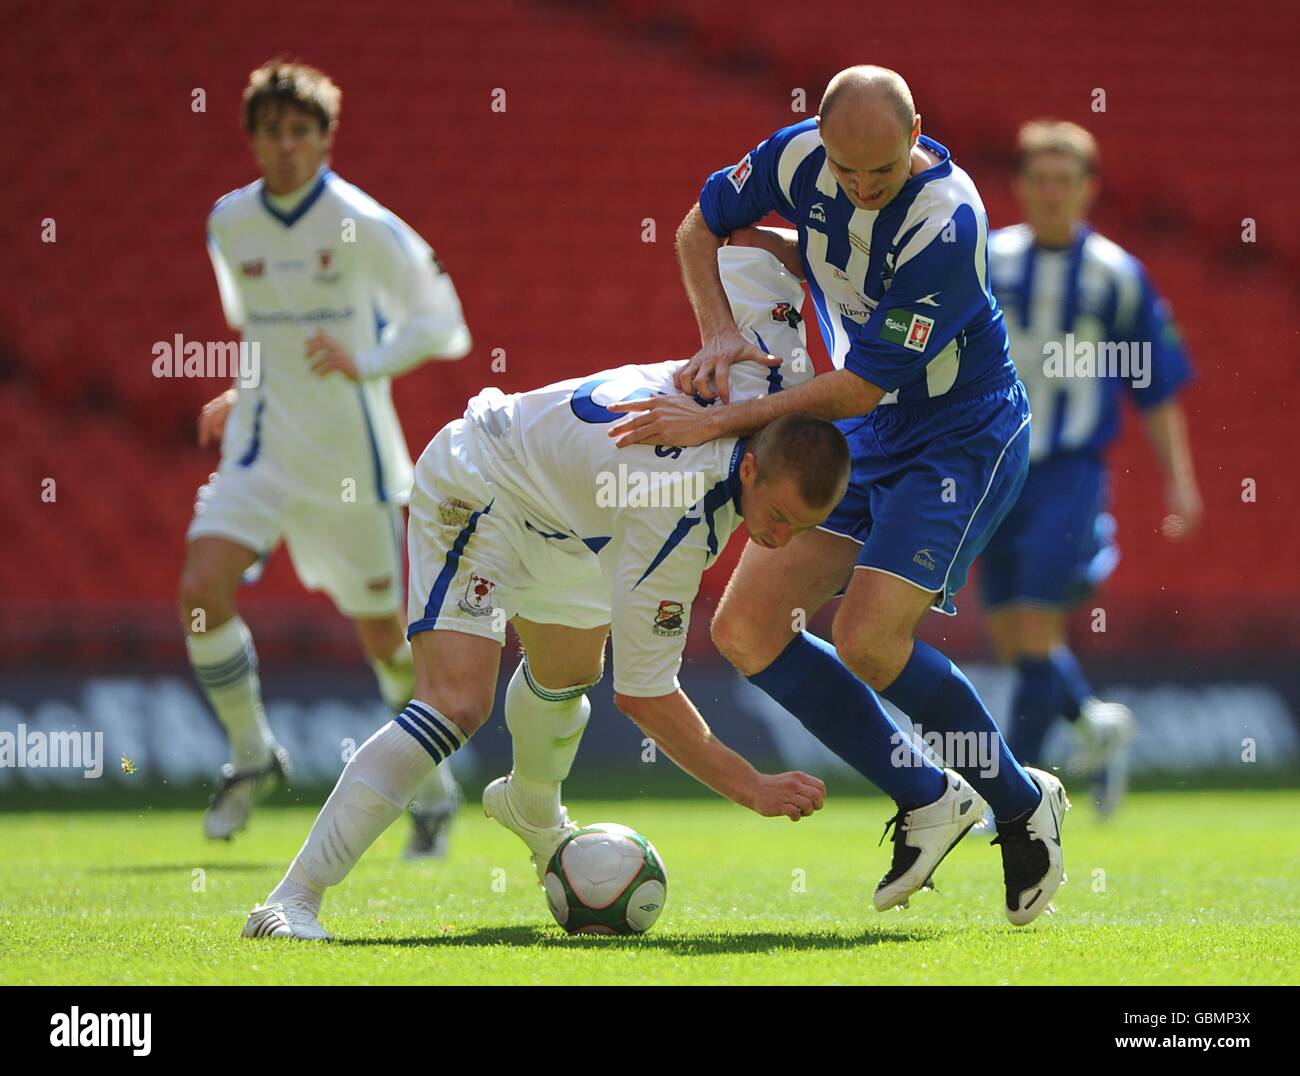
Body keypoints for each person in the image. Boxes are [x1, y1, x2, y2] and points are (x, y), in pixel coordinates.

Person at [242, 244, 847, 941]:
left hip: (570, 517)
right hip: (484, 482)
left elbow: (738, 244)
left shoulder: (773, 372)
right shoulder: (675, 513)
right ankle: (290, 901)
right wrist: (754, 787)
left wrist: (821, 260)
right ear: (749, 475)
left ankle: (531, 806)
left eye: (803, 528)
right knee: (457, 703)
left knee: (569, 670)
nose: (780, 539)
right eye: (776, 518)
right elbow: (646, 695)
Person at [609, 65, 1068, 925]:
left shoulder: (950, 224)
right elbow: (698, 230)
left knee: (866, 640)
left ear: (918, 133)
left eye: (880, 174)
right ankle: (930, 797)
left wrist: (727, 420)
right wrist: (719, 329)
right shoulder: (793, 158)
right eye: (845, 171)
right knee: (745, 630)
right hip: (874, 425)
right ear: (819, 139)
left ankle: (1019, 803)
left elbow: (856, 387)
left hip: (957, 431)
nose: (860, 189)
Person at [181, 61, 471, 854]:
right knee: (201, 590)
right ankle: (251, 754)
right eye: (272, 131)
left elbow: (444, 324)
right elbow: (259, 331)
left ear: (324, 137)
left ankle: (435, 788)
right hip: (261, 450)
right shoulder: (229, 223)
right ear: (252, 138)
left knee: (384, 641)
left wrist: (365, 358)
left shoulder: (361, 223)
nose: (285, 146)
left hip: (353, 466)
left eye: (301, 130)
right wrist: (244, 390)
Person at [980, 120, 1199, 816]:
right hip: (994, 468)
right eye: (1039, 180)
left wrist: (1180, 483)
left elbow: (1156, 387)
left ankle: (1013, 796)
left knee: (1040, 627)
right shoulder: (988, 260)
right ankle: (1096, 724)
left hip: (1068, 472)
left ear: (1087, 190)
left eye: (1064, 181)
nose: (1050, 193)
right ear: (1020, 186)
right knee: (1013, 636)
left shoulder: (1115, 274)